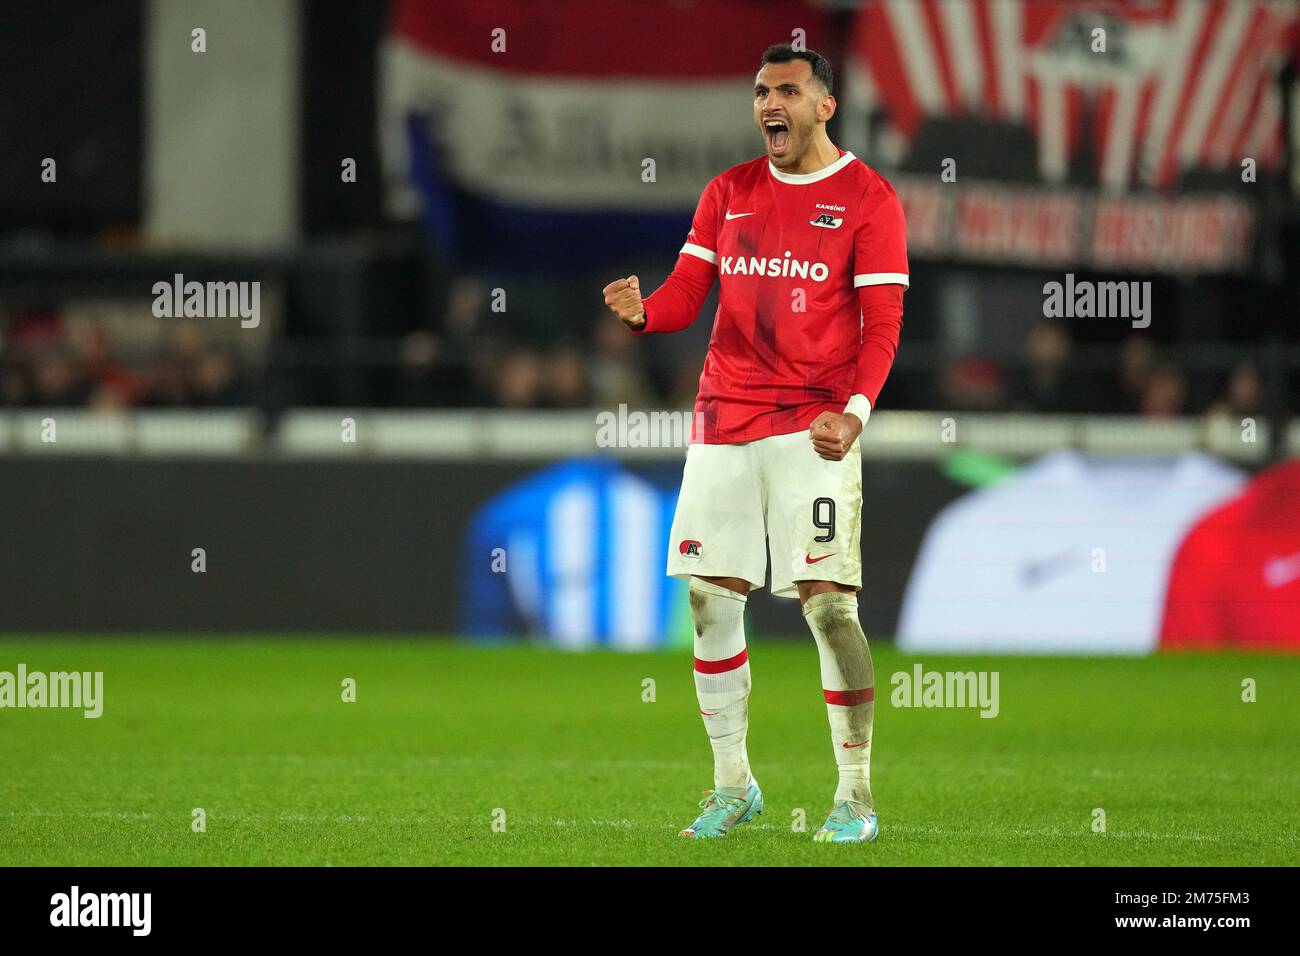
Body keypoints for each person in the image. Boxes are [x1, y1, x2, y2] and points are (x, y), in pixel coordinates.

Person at [601, 44, 907, 843]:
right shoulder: (728, 192)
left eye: (788, 91)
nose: (771, 104)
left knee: (830, 608)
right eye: (762, 92)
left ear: (824, 105)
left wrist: (857, 411)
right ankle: (732, 784)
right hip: (724, 418)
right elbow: (687, 294)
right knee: (708, 597)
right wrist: (644, 314)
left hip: (814, 426)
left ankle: (856, 795)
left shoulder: (869, 200)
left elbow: (884, 326)